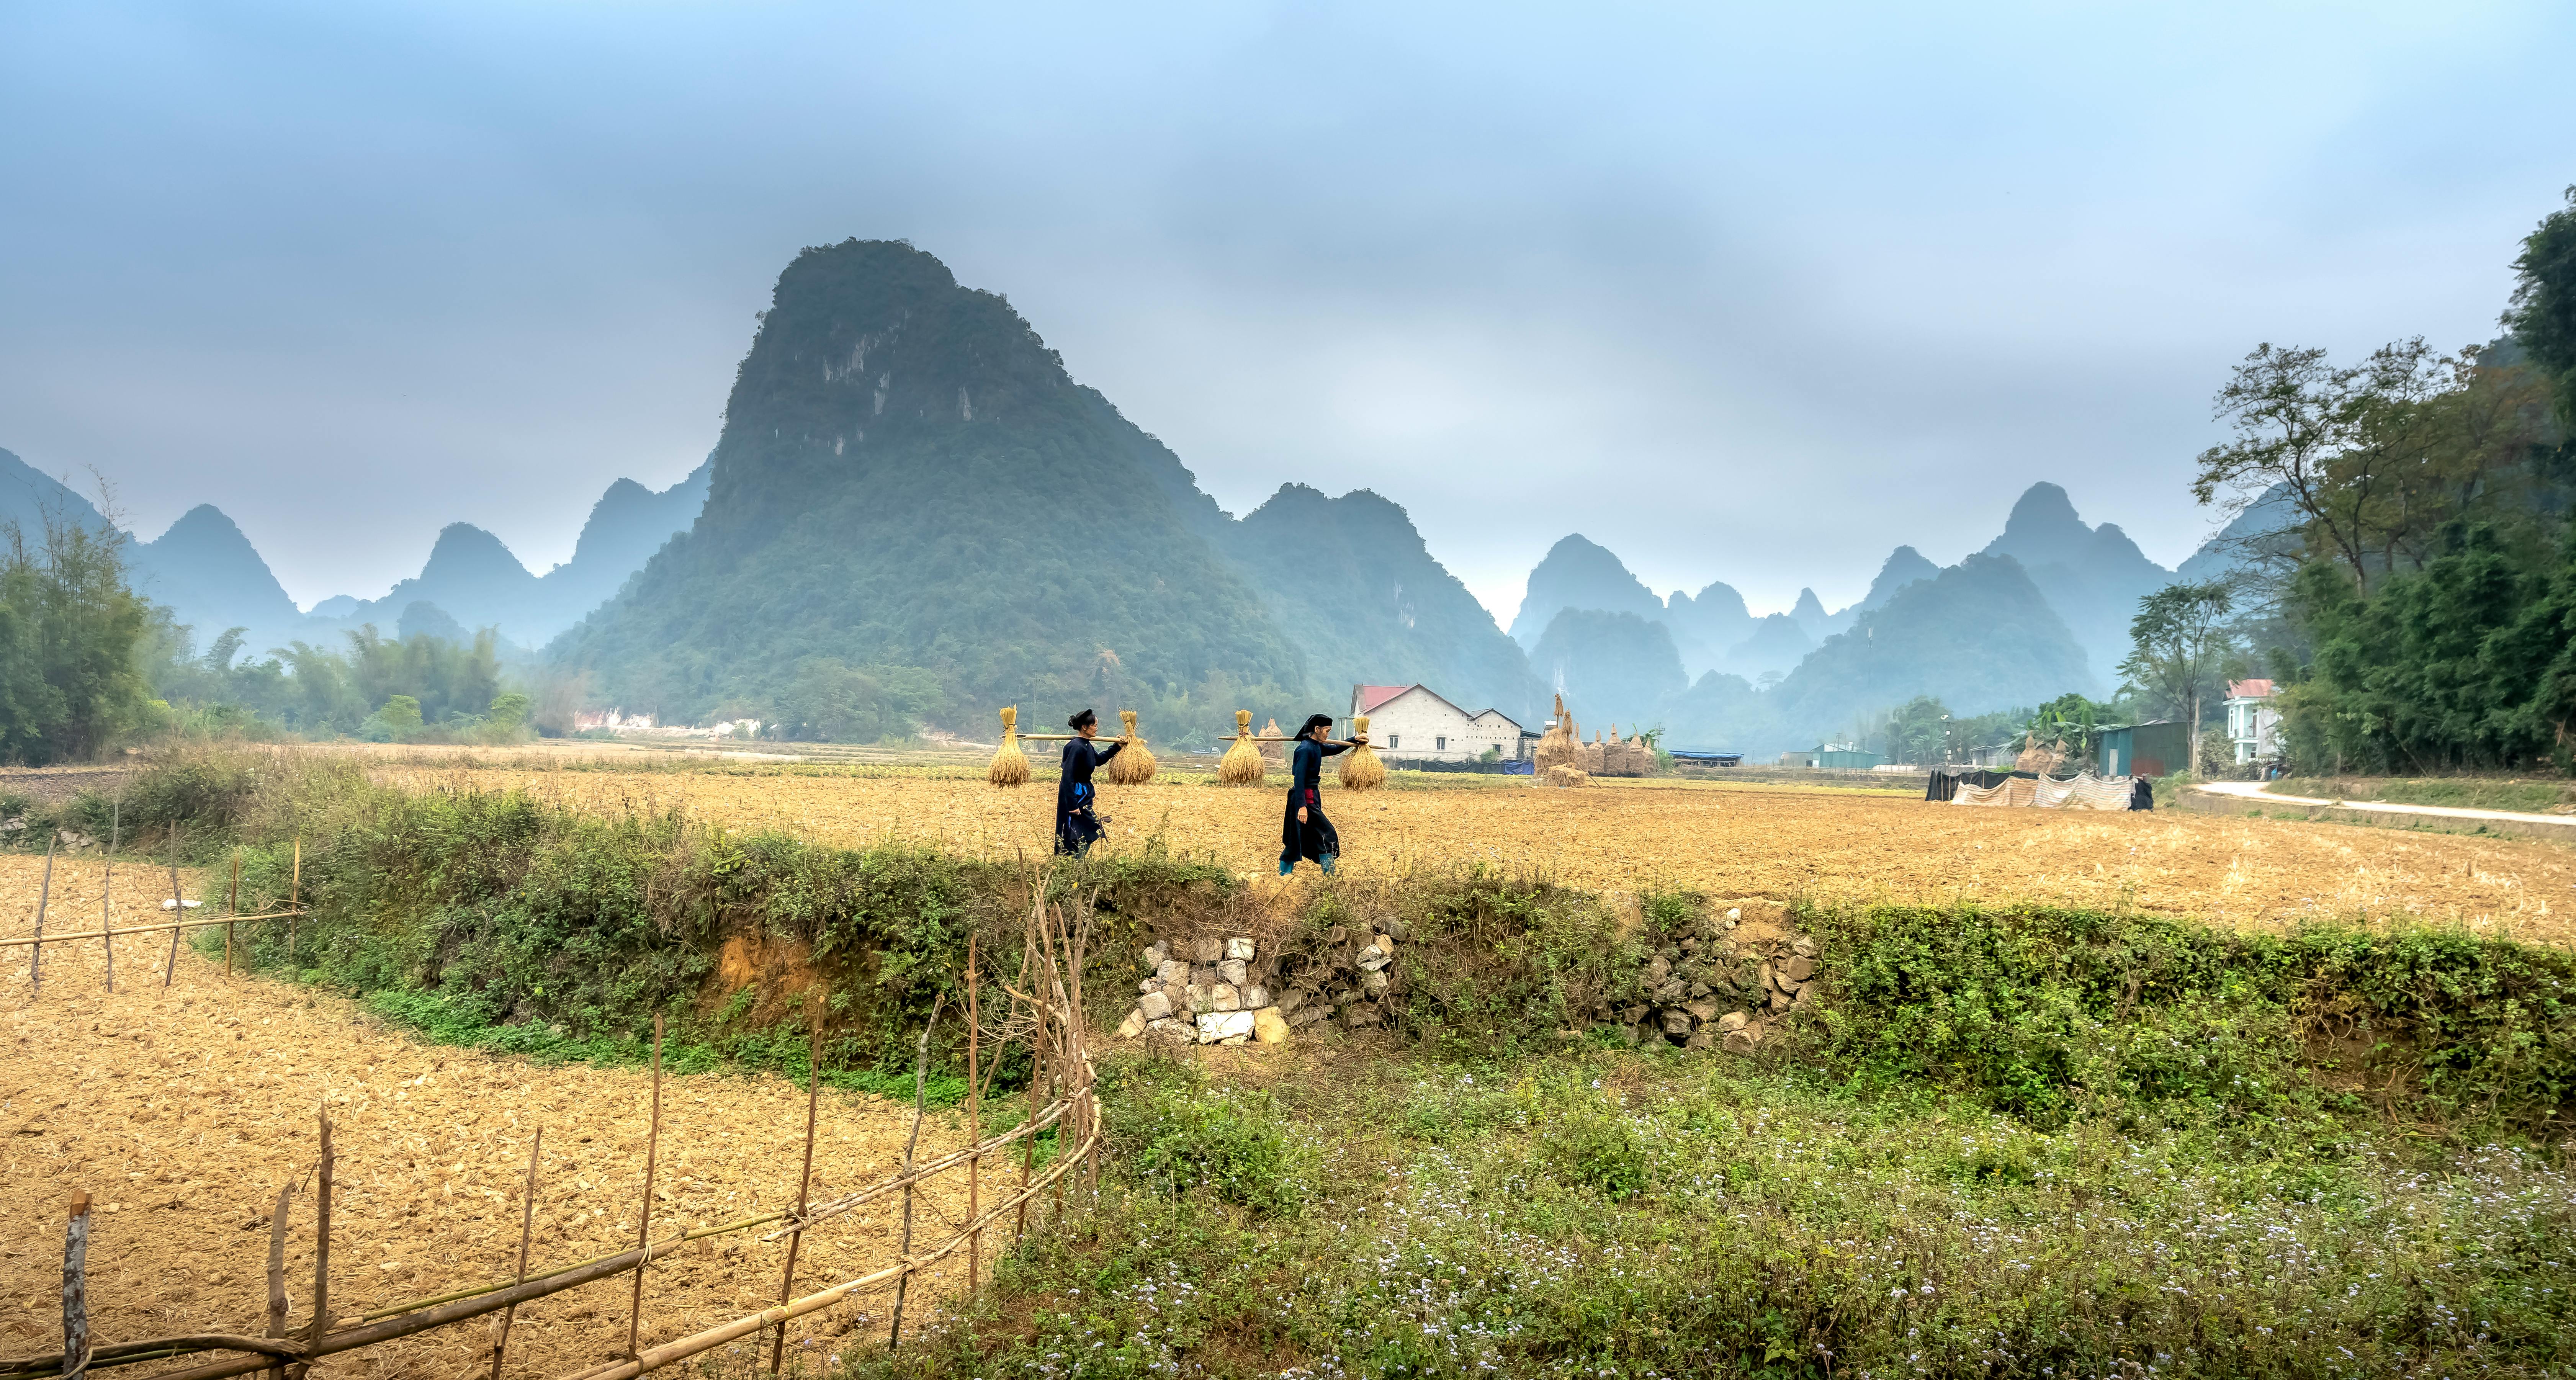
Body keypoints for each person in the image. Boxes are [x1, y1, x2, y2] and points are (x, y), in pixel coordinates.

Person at [1279, 712, 1361, 875]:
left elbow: (1336, 748)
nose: (1328, 735)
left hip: (1312, 798)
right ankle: (1329, 877)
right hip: (1305, 800)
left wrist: (1355, 740)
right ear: (1317, 729)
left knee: (1299, 837)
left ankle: (1285, 875)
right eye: (1327, 731)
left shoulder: (1316, 747)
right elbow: (1299, 780)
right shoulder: (1305, 749)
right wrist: (1302, 807)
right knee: (1327, 834)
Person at [1055, 708, 1121, 856]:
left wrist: (1116, 747)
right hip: (1075, 796)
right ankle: (1074, 862)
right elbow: (1067, 778)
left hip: (1084, 795)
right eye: (1095, 725)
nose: (1097, 728)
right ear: (1084, 727)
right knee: (1079, 831)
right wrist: (1072, 806)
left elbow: (1098, 761)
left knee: (1088, 830)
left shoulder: (1086, 746)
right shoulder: (1076, 747)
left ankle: (1078, 862)